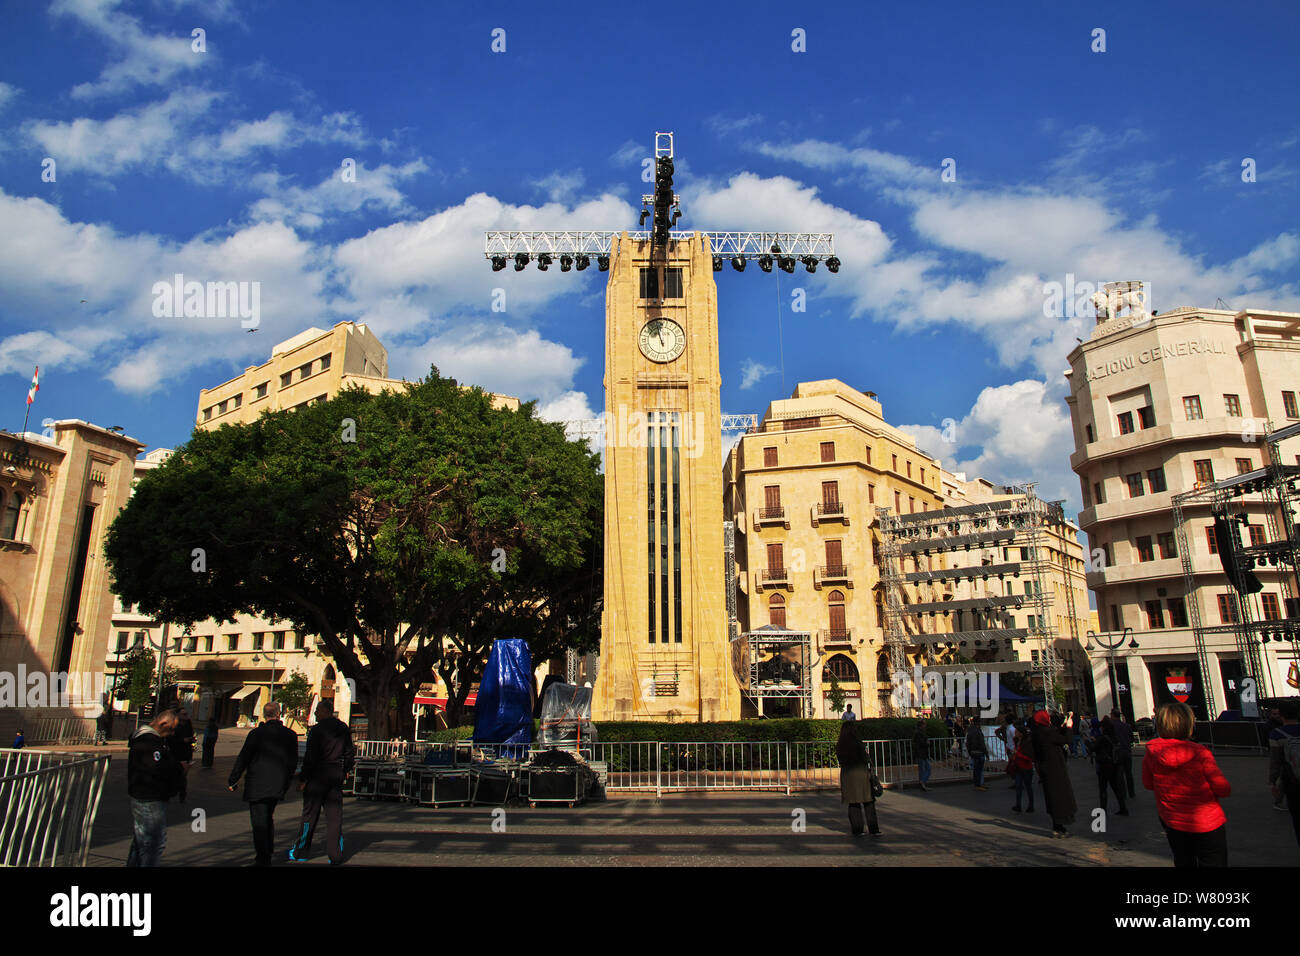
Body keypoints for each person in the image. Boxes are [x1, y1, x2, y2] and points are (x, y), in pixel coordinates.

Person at [1142, 701, 1231, 867]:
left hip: (1172, 819)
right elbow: (1223, 789)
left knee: (1183, 860)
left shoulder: (1151, 752)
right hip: (1206, 822)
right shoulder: (1200, 753)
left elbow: (1148, 784)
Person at [228, 702, 299, 866]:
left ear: (264, 715)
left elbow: (244, 757)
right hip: (278, 783)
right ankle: (267, 850)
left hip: (257, 783)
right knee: (268, 816)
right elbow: (292, 762)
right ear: (279, 713)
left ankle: (263, 856)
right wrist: (287, 781)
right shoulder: (290, 735)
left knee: (259, 820)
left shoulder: (256, 734)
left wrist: (233, 779)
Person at [288, 700, 355, 864]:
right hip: (335, 775)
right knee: (334, 817)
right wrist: (345, 770)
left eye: (317, 710)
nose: (316, 714)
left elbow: (310, 757)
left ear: (325, 711)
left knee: (309, 816)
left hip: (317, 776)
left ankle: (301, 851)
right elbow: (349, 754)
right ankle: (335, 854)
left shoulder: (317, 731)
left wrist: (303, 779)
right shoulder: (343, 728)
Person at [126, 708, 183, 866]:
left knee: (141, 842)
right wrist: (177, 770)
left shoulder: (152, 741)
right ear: (163, 723)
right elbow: (155, 768)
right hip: (149, 797)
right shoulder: (148, 742)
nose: (172, 733)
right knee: (153, 843)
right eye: (171, 729)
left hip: (146, 796)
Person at [1030, 709, 1077, 838]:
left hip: (1045, 768)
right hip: (1055, 768)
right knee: (1060, 797)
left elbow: (1055, 736)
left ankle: (1058, 826)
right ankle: (1060, 825)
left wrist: (1062, 727)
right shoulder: (1047, 732)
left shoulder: (1038, 732)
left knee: (1052, 797)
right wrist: (1069, 727)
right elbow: (1067, 739)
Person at [836, 723, 880, 837]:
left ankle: (857, 829)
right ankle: (873, 829)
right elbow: (865, 758)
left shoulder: (840, 744)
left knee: (853, 803)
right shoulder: (857, 742)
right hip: (861, 773)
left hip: (847, 775)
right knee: (868, 802)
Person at [1267, 698, 1300, 846]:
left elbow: (1276, 761)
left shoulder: (1277, 734)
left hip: (1292, 780)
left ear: (1281, 715)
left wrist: (1272, 781)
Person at [1090, 716, 1129, 816]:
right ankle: (1123, 808)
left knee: (1103, 789)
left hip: (1104, 765)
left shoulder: (1102, 738)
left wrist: (1088, 741)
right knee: (1116, 788)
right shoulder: (1114, 737)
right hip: (1114, 764)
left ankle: (1103, 810)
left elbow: (1092, 748)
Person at [168, 707, 196, 801]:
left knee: (183, 775)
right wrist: (182, 740)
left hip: (186, 753)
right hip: (175, 752)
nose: (186, 716)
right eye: (184, 714)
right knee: (173, 773)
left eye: (186, 714)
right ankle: (171, 790)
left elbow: (192, 734)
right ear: (178, 715)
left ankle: (182, 793)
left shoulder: (188, 724)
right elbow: (169, 739)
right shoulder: (173, 725)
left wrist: (191, 740)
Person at [1110, 709, 1136, 799]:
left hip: (1118, 751)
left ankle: (1123, 793)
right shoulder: (1126, 725)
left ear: (1113, 715)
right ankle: (1132, 792)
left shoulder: (1112, 727)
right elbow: (1132, 739)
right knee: (1129, 773)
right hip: (1127, 750)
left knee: (1119, 774)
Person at [1011, 719, 1035, 813]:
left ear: (1021, 733)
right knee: (1018, 787)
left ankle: (1031, 805)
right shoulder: (1017, 741)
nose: (1015, 733)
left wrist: (1017, 754)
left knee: (1028, 787)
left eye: (1017, 731)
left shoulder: (1027, 743)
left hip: (1026, 768)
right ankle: (1018, 805)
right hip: (1018, 767)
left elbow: (1029, 757)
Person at [966, 717, 988, 790]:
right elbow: (982, 743)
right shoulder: (978, 731)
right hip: (979, 751)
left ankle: (979, 783)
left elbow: (967, 742)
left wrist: (969, 751)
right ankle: (978, 784)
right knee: (979, 769)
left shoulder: (970, 731)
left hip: (973, 751)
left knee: (977, 769)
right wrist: (986, 753)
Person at [912, 719, 931, 791]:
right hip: (921, 753)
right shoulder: (919, 733)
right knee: (926, 769)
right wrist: (927, 743)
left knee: (923, 769)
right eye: (924, 724)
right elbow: (921, 743)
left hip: (922, 753)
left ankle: (922, 783)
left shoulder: (920, 732)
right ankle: (922, 782)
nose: (925, 726)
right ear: (921, 725)